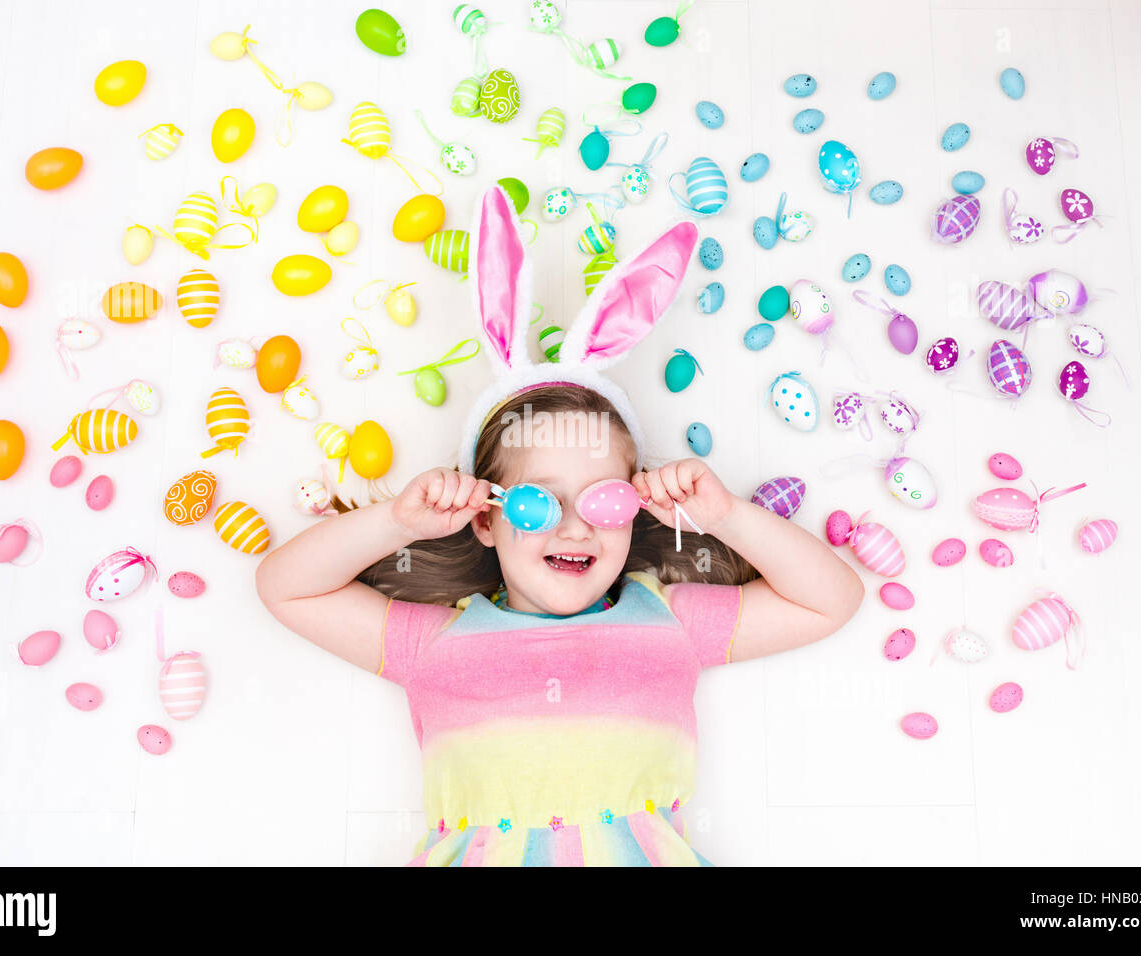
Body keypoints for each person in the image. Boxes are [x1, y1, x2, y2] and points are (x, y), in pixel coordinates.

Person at [256, 186, 863, 865]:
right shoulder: (437, 643)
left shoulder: (668, 622)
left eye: (604, 502)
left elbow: (830, 599)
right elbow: (287, 587)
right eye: (537, 505)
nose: (576, 529)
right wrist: (398, 523)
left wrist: (723, 518)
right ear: (485, 519)